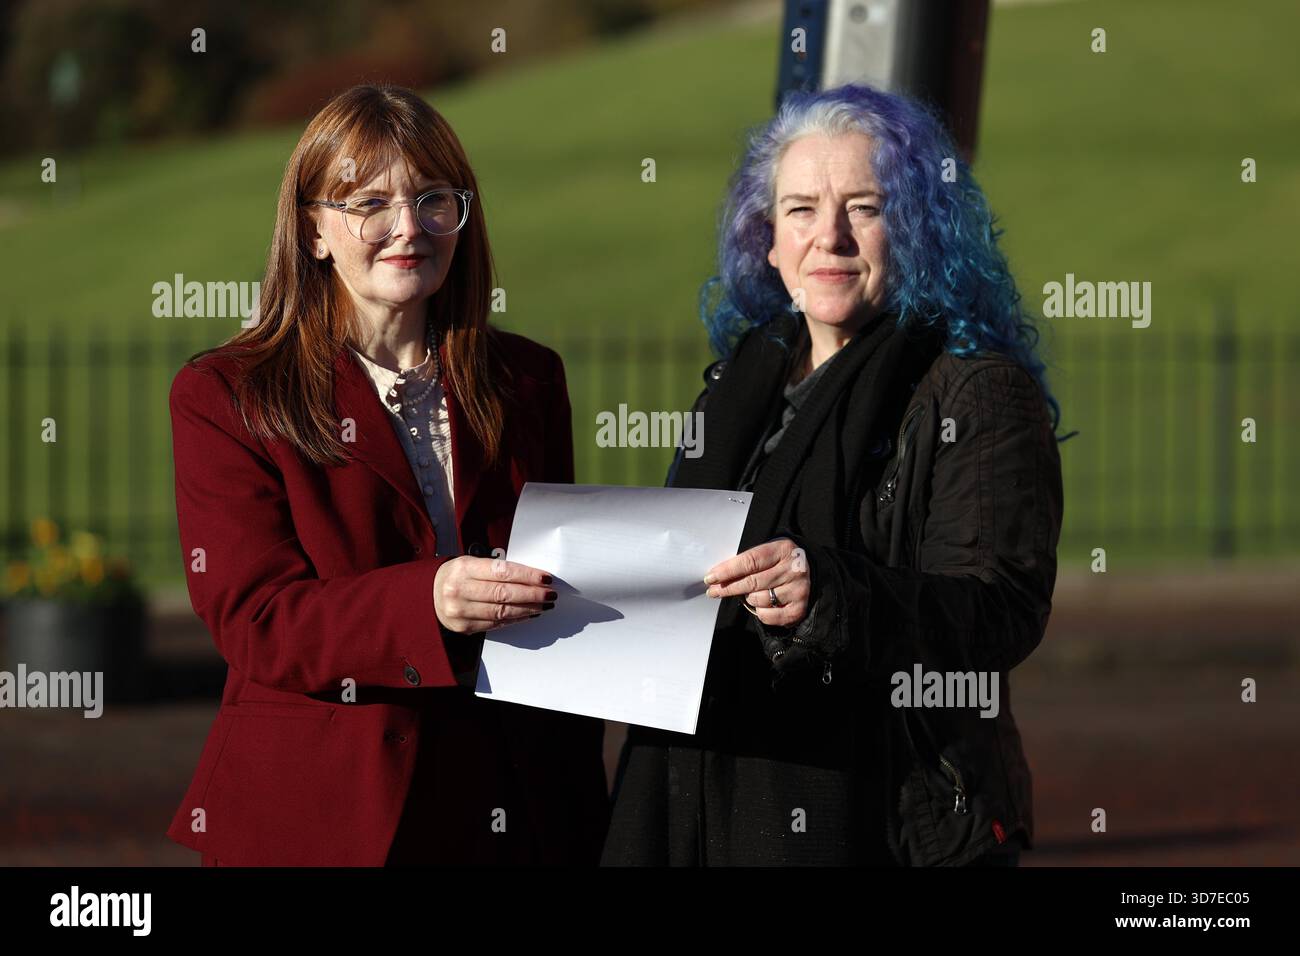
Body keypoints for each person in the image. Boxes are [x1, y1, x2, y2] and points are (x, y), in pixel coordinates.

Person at [601, 84, 1066, 866]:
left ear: (916, 228)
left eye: (866, 208)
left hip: (895, 815)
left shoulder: (976, 389)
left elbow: (999, 611)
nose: (832, 239)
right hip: (714, 795)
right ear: (768, 241)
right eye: (801, 210)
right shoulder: (741, 385)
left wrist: (830, 596)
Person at [166, 84, 608, 866]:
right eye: (369, 203)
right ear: (313, 232)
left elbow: (554, 583)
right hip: (323, 817)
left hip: (509, 804)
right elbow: (257, 619)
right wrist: (428, 599)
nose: (408, 228)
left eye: (434, 199)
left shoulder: (528, 379)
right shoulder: (227, 395)